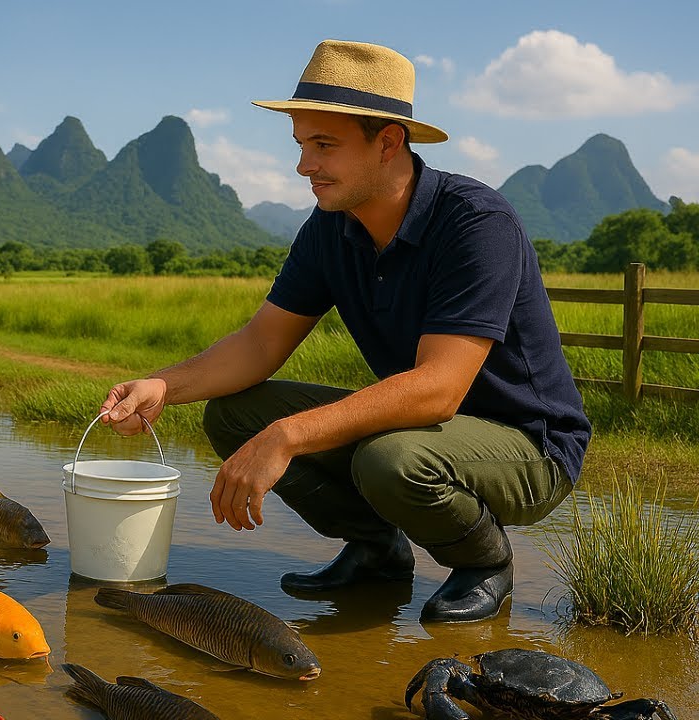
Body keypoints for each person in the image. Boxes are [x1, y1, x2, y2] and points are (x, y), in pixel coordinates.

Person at [100, 39, 591, 624]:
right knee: (234, 414)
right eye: (302, 145)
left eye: (324, 145)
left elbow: (439, 389)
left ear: (388, 143)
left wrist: (287, 436)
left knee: (390, 459)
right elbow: (261, 343)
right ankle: (376, 549)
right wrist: (162, 386)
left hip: (528, 446)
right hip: (422, 431)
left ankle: (484, 562)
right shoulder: (331, 227)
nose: (304, 166)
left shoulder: (475, 222)